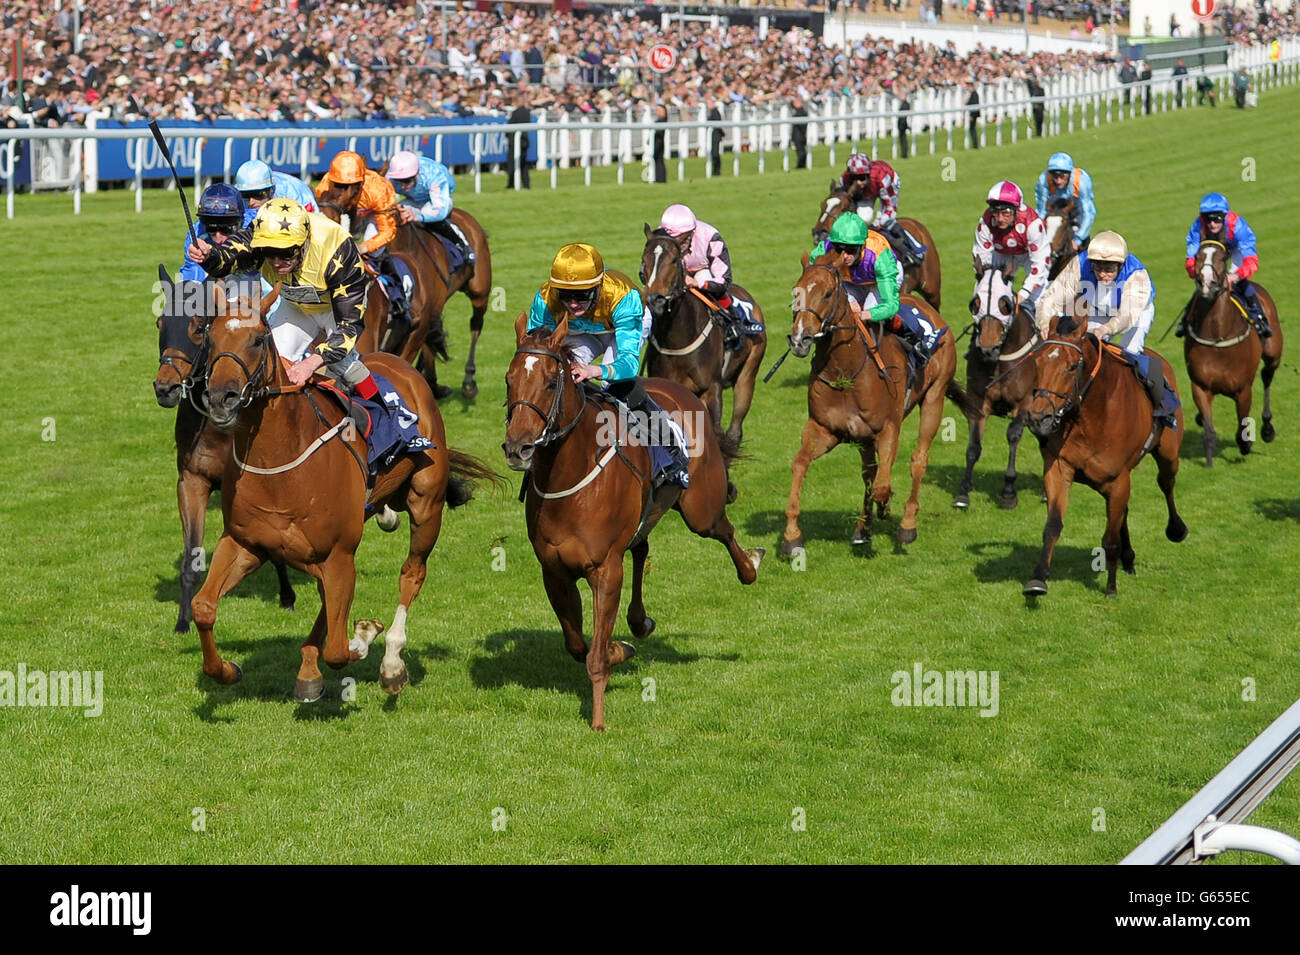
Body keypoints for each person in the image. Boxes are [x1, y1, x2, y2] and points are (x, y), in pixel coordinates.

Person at [185, 198, 394, 407]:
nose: (276, 262)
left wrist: (311, 363)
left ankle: (387, 415)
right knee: (271, 359)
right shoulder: (262, 232)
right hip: (295, 305)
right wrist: (208, 256)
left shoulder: (338, 250)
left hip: (335, 308)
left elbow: (349, 328)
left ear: (303, 243)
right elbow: (228, 258)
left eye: (285, 254)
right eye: (269, 253)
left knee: (342, 363)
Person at [525, 243, 689, 488]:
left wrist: (595, 370)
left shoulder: (625, 298)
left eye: (581, 295)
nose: (572, 304)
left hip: (619, 328)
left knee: (611, 382)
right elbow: (534, 352)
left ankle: (670, 444)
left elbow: (629, 363)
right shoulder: (546, 299)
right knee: (559, 376)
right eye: (565, 295)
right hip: (581, 332)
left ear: (599, 287)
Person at [1035, 230, 1165, 408]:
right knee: (1083, 350)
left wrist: (1105, 330)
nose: (1103, 274)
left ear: (1121, 265)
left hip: (1136, 313)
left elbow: (1127, 316)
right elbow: (1051, 298)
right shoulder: (1080, 264)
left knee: (1130, 353)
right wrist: (1044, 322)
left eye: (1109, 268)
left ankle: (1161, 406)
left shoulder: (1136, 275)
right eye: (1097, 267)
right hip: (1098, 308)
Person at [813, 212, 942, 364]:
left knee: (869, 317)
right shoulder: (825, 249)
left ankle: (911, 340)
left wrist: (868, 314)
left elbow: (891, 305)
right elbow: (813, 274)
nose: (845, 256)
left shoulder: (879, 257)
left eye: (851, 250)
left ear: (861, 245)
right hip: (850, 280)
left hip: (879, 279)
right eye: (840, 250)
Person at [315, 150, 411, 346]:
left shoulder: (378, 189)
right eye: (338, 186)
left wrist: (362, 248)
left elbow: (387, 231)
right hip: (343, 214)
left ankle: (395, 295)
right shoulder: (325, 186)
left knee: (373, 249)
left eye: (347, 187)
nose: (341, 191)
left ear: (359, 184)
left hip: (372, 214)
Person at [658, 203, 763, 348]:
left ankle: (732, 321)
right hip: (674, 274)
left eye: (681, 239)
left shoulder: (711, 237)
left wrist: (697, 284)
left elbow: (723, 281)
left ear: (691, 232)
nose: (677, 245)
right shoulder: (659, 237)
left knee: (704, 276)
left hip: (702, 272)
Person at [1178, 192, 1269, 338]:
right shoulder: (1197, 226)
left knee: (1240, 283)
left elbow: (1251, 260)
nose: (1212, 224)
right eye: (1208, 219)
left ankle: (1259, 318)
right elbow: (1191, 257)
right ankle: (1185, 320)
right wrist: (1196, 273)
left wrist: (1236, 275)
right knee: (1204, 283)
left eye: (1217, 219)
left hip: (1235, 250)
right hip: (1211, 251)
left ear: (1225, 216)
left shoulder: (1238, 226)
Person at [384, 148, 476, 265]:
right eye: (399, 181)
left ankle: (462, 244)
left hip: (438, 198)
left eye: (406, 181)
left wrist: (418, 217)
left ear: (416, 174)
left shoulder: (433, 174)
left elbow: (440, 210)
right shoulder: (390, 178)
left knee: (428, 212)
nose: (402, 186)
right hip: (413, 199)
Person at [972, 181, 1050, 314]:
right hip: (1002, 253)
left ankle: (1047, 329)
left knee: (1040, 300)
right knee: (986, 294)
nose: (1000, 219)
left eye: (1006, 213)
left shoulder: (1033, 224)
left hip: (1028, 255)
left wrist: (1024, 293)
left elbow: (1040, 264)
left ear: (1016, 210)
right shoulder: (985, 222)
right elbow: (981, 256)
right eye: (996, 213)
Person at [838, 152, 921, 268]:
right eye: (854, 178)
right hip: (867, 193)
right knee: (862, 221)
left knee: (886, 222)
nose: (858, 182)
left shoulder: (882, 177)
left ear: (868, 174)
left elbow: (890, 207)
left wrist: (878, 223)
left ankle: (911, 250)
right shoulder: (844, 180)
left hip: (889, 186)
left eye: (861, 178)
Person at [179, 183, 255, 283]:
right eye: (211, 230)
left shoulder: (258, 223)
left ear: (241, 220)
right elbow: (194, 275)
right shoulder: (196, 233)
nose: (218, 240)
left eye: (226, 229)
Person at [1033, 152, 1096, 252]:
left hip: (1076, 209)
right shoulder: (1043, 181)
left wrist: (1078, 240)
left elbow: (1088, 213)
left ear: (1070, 174)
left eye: (1062, 177)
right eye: (1055, 177)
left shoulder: (1082, 181)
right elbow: (1041, 211)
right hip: (1054, 209)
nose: (1058, 181)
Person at [233, 159, 317, 214]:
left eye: (258, 195)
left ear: (271, 191)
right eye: (245, 195)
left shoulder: (297, 195)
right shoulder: (236, 199)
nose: (251, 202)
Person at [505, 87, 532, 189]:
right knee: (524, 164)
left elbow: (510, 128)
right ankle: (526, 184)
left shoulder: (516, 113)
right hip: (524, 142)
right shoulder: (527, 112)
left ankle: (511, 184)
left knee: (512, 163)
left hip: (515, 142)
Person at [790, 95, 809, 169]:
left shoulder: (800, 112)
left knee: (801, 152)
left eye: (796, 102)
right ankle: (801, 165)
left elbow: (801, 126)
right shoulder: (802, 111)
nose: (794, 104)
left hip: (799, 135)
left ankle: (800, 166)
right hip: (800, 135)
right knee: (802, 151)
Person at [651, 103, 668, 184]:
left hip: (659, 141)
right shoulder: (660, 120)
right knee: (657, 159)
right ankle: (659, 178)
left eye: (658, 110)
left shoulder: (662, 120)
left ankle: (661, 179)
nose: (656, 112)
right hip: (657, 140)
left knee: (659, 159)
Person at [896, 85, 911, 160]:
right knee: (902, 138)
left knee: (903, 138)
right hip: (901, 124)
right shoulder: (903, 103)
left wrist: (903, 124)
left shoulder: (906, 104)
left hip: (903, 124)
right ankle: (903, 153)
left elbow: (904, 116)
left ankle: (904, 154)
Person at [965, 80, 981, 149]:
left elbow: (974, 105)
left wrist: (971, 115)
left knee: (972, 129)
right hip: (973, 114)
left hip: (973, 114)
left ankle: (975, 145)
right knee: (972, 129)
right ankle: (975, 145)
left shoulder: (974, 94)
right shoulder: (973, 93)